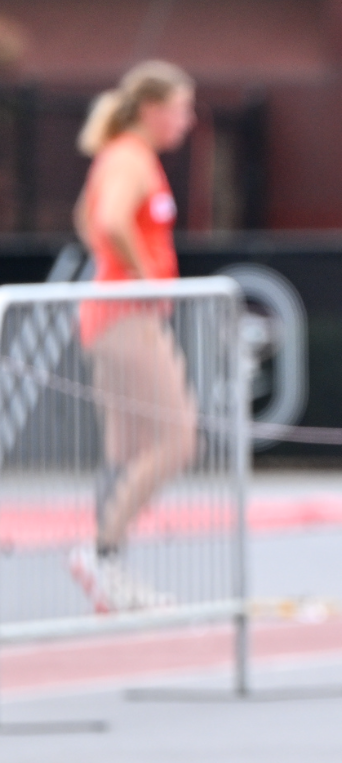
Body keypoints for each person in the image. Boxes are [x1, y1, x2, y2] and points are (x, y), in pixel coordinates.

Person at [70, 60, 198, 612]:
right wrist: (143, 280)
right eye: (181, 109)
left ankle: (108, 564)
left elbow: (86, 216)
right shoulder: (131, 157)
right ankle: (101, 551)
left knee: (127, 448)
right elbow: (111, 222)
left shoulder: (124, 156)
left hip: (116, 315)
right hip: (126, 317)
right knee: (177, 438)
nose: (187, 122)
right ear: (153, 108)